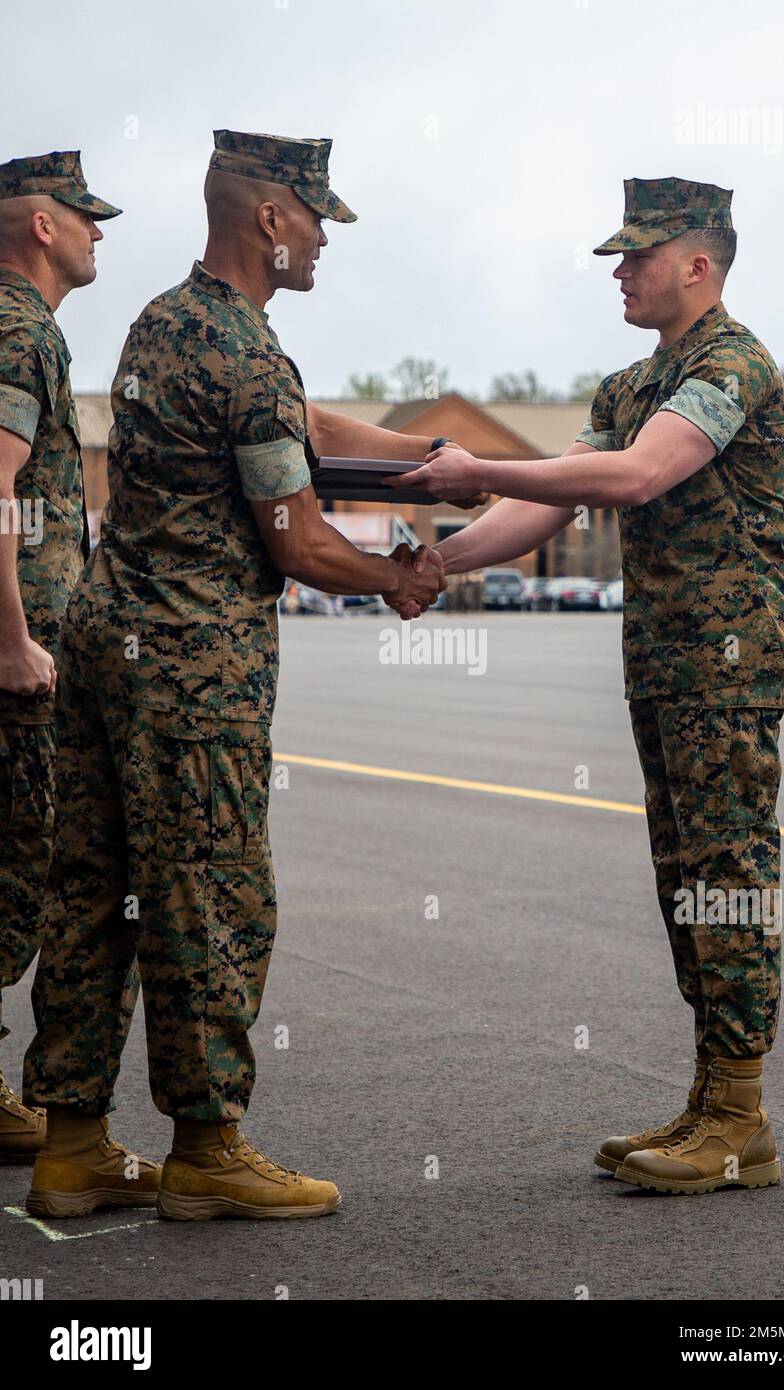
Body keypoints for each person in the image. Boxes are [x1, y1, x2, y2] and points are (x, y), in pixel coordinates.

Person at [22, 130, 454, 1221]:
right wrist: (394, 578)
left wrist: (429, 461)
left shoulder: (161, 324)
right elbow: (298, 543)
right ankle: (208, 1147)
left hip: (102, 647)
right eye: (313, 219)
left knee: (91, 895)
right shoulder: (250, 356)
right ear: (270, 219)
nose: (320, 242)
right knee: (209, 899)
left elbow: (301, 432)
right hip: (192, 673)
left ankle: (71, 1144)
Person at [392, 177, 784, 1195]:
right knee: (684, 876)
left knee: (724, 875)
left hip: (729, 657)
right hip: (666, 659)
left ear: (698, 265)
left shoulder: (732, 362)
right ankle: (714, 1098)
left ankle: (737, 1115)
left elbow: (630, 479)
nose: (617, 271)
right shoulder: (632, 384)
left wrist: (481, 468)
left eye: (635, 255)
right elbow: (550, 507)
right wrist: (433, 565)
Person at [0, 151, 123, 1164]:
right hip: (18, 660)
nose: (99, 233)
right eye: (87, 217)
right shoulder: (17, 328)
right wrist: (13, 640)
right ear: (42, 224)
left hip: (28, 640)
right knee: (18, 867)